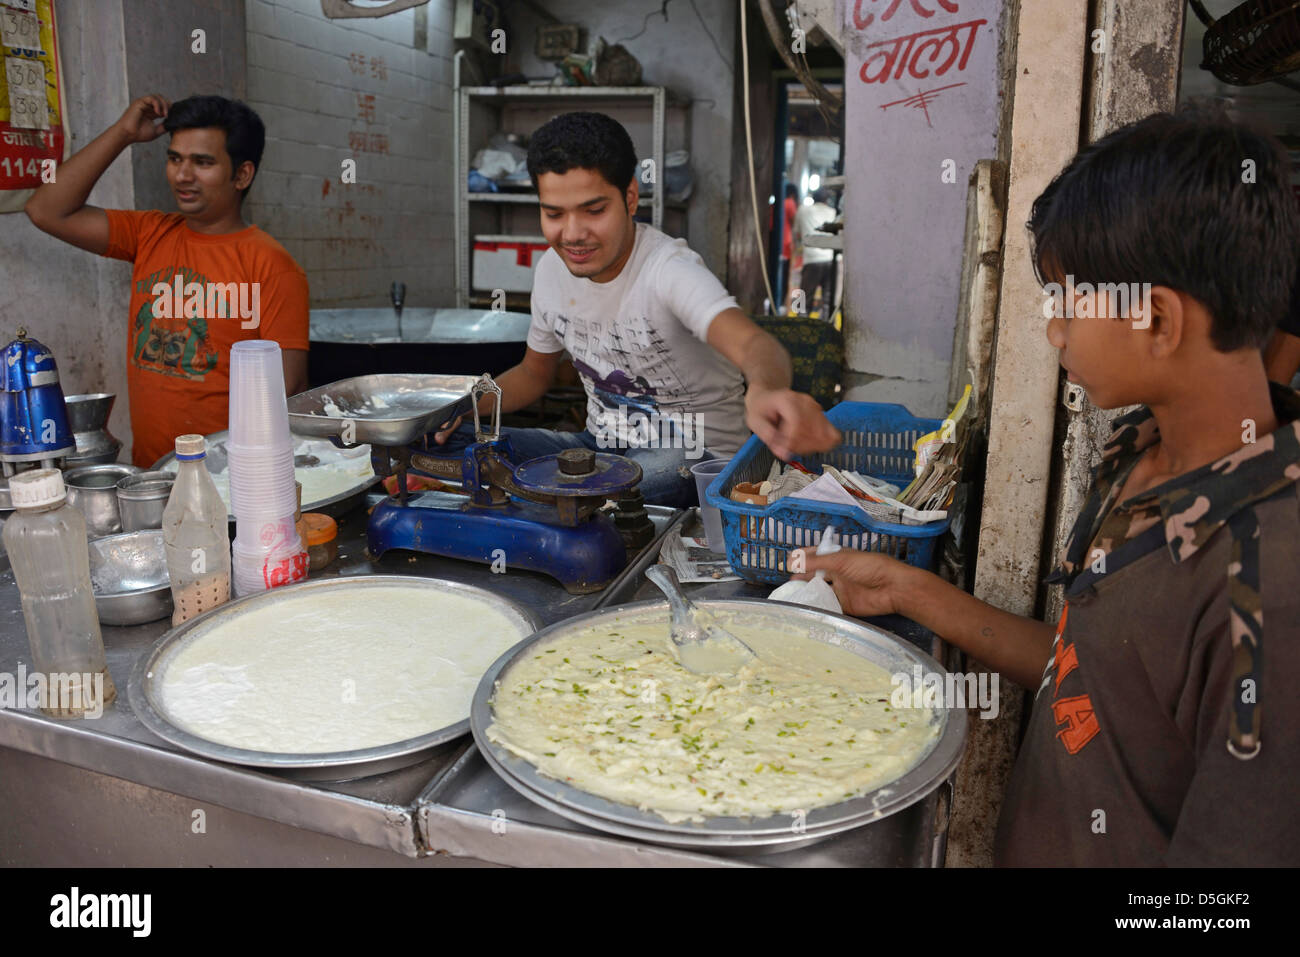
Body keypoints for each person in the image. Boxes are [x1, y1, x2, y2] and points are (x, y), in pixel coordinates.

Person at [794, 109, 1300, 866]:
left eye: (1068, 300)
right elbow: (1089, 674)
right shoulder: (1141, 453)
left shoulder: (1268, 591)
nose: (1055, 329)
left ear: (1157, 319)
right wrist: (908, 591)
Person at [437, 112, 840, 507]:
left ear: (630, 197)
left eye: (594, 211)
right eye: (554, 213)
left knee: (608, 490)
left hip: (696, 454)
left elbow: (754, 344)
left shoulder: (669, 270)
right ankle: (555, 504)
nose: (573, 234)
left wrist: (766, 390)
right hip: (599, 448)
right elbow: (532, 373)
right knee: (451, 441)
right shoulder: (549, 271)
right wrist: (455, 407)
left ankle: (552, 504)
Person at [25, 94, 309, 467]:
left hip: (229, 479)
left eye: (202, 162)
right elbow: (45, 209)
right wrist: (123, 134)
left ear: (242, 174)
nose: (182, 175)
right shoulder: (149, 233)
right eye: (175, 158)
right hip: (153, 472)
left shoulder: (270, 265)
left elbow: (285, 393)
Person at [793, 188, 837, 317]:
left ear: (813, 198)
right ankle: (827, 329)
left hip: (811, 260)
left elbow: (797, 233)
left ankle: (800, 328)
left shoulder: (803, 210)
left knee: (803, 299)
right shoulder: (833, 212)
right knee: (828, 301)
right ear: (827, 200)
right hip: (830, 259)